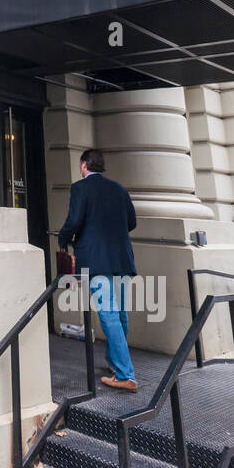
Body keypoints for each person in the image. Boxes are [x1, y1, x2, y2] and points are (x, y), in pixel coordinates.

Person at [57, 148, 139, 392]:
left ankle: (126, 374)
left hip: (96, 260)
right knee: (120, 314)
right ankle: (116, 365)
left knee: (109, 314)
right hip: (121, 260)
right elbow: (132, 222)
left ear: (84, 166)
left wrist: (63, 239)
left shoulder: (80, 188)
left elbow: (74, 220)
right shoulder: (119, 190)